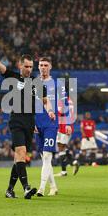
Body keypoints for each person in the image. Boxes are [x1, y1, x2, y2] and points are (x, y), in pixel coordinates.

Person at [0, 33, 54, 199]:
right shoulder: (12, 76)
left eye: (31, 67)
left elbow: (46, 101)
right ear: (20, 66)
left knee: (20, 157)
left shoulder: (37, 83)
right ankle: (26, 188)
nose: (29, 69)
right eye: (27, 66)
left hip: (30, 122)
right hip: (16, 120)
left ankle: (10, 189)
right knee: (21, 152)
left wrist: (50, 111)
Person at [34, 57, 59, 197]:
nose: (43, 67)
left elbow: (64, 103)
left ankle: (41, 188)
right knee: (45, 158)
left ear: (50, 67)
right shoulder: (34, 83)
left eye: (45, 65)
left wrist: (67, 124)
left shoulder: (56, 84)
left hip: (51, 123)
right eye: (41, 65)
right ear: (38, 67)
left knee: (48, 156)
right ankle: (53, 186)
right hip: (37, 124)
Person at [55, 95, 76, 177]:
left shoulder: (62, 100)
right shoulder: (70, 100)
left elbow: (60, 112)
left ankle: (64, 171)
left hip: (63, 126)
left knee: (60, 147)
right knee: (63, 147)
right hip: (69, 125)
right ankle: (73, 162)